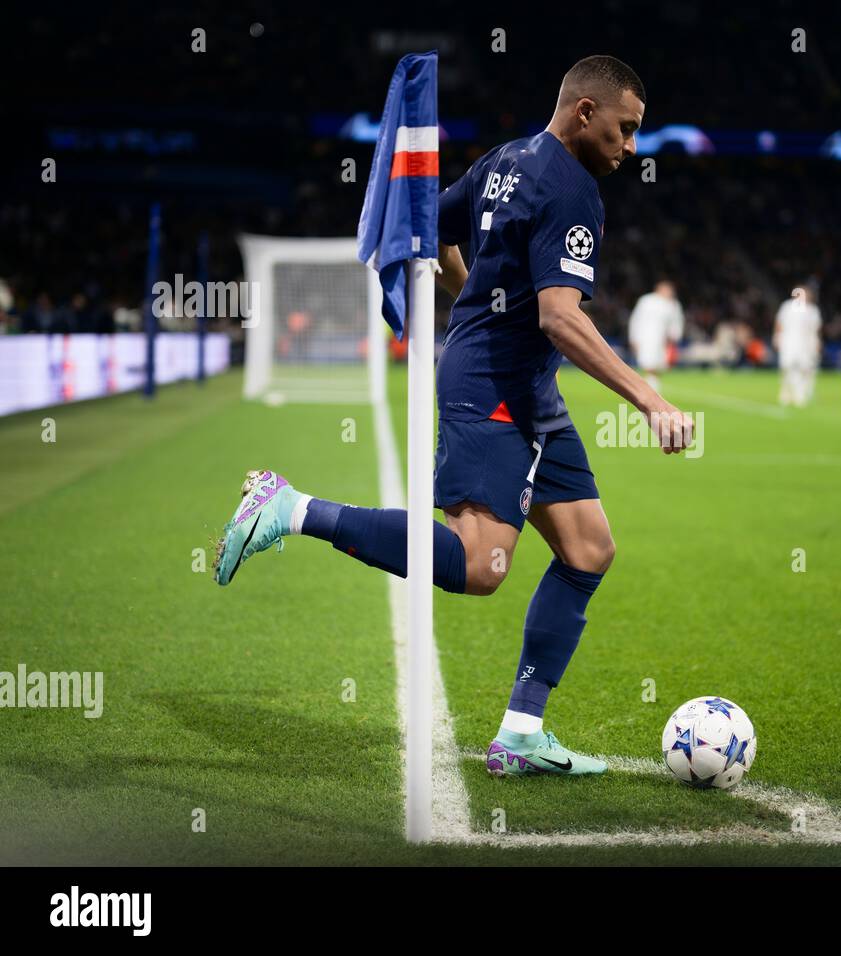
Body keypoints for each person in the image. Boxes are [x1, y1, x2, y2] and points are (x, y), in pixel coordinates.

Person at [211, 56, 694, 777]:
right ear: (585, 112)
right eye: (624, 131)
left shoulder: (506, 161)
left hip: (525, 388)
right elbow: (561, 319)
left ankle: (523, 733)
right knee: (479, 564)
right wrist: (649, 397)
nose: (630, 150)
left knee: (589, 548)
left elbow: (429, 229)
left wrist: (475, 303)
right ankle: (293, 507)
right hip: (492, 388)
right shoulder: (572, 191)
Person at [627, 278, 684, 392]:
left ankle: (653, 387)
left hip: (663, 341)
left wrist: (674, 337)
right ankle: (649, 389)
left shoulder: (673, 304)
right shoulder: (646, 301)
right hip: (645, 338)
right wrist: (633, 337)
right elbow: (636, 320)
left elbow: (677, 323)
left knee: (659, 365)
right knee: (648, 363)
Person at [774, 284, 821, 407]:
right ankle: (786, 392)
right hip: (788, 342)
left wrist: (816, 343)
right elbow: (779, 324)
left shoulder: (812, 310)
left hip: (805, 344)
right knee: (787, 367)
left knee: (804, 369)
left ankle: (800, 394)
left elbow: (815, 329)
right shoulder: (787, 307)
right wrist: (777, 338)